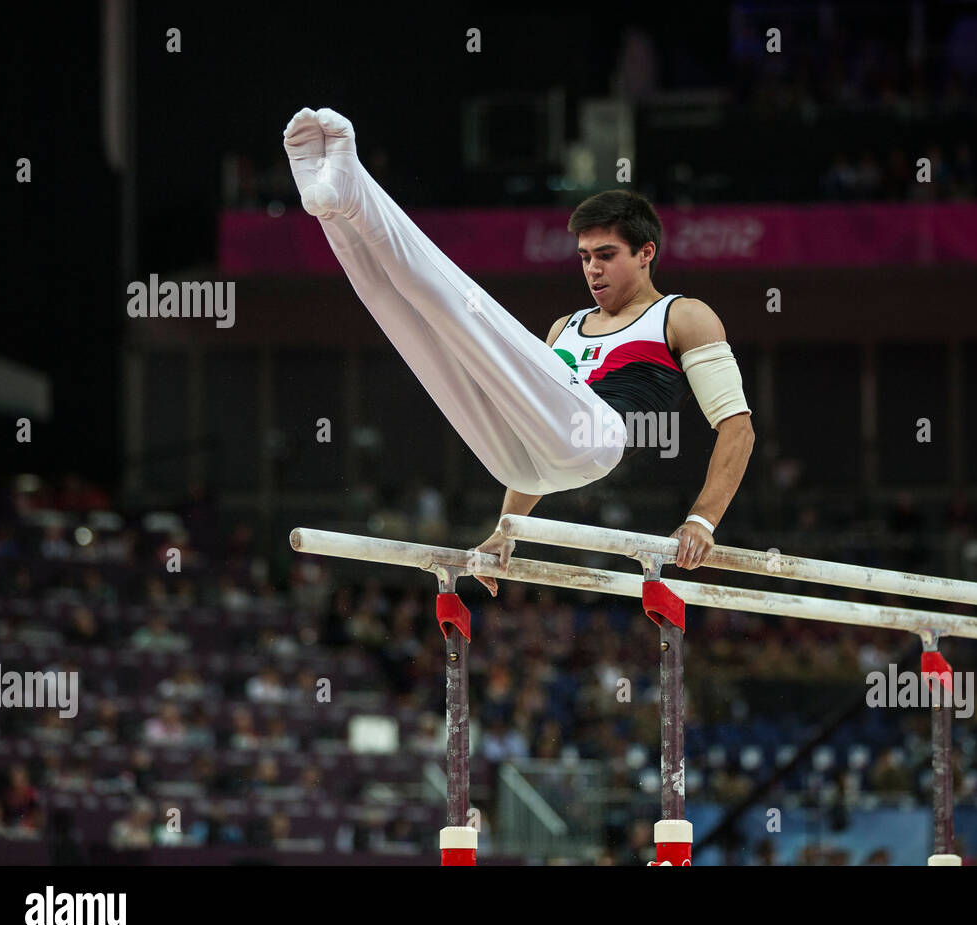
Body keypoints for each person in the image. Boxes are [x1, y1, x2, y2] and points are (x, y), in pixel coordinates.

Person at [283, 107, 754, 592]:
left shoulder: (684, 316)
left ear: (646, 253)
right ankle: (335, 207)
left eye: (607, 256)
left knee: (454, 306)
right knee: (408, 319)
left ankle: (355, 187)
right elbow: (533, 420)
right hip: (521, 461)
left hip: (599, 439)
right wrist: (507, 531)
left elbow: (737, 426)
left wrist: (703, 519)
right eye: (585, 257)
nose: (592, 270)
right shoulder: (565, 327)